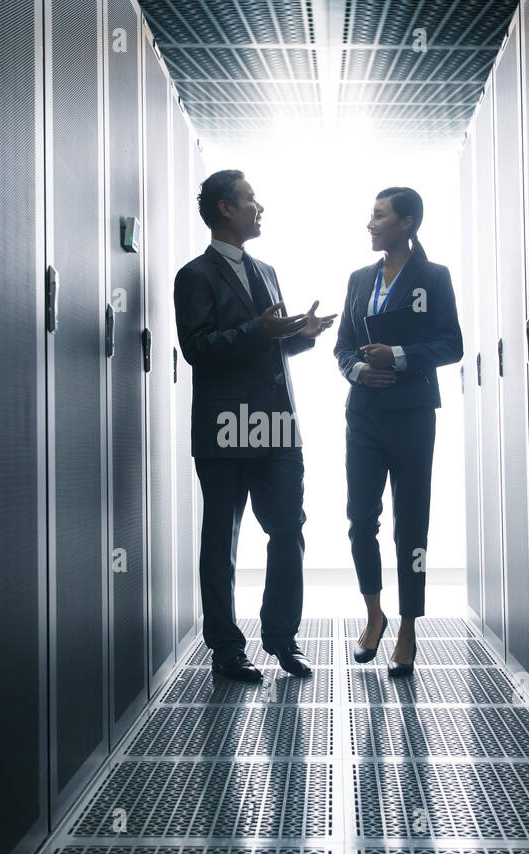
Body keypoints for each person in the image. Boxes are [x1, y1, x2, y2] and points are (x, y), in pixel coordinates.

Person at [175, 170, 335, 682]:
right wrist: (257, 329)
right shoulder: (194, 276)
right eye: (250, 199)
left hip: (276, 425)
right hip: (225, 427)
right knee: (221, 539)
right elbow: (197, 349)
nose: (259, 207)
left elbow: (269, 344)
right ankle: (226, 649)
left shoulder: (266, 270)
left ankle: (282, 639)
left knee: (288, 529)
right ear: (225, 208)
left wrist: (302, 335)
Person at [333, 186, 463, 677]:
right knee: (360, 519)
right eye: (371, 214)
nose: (370, 223)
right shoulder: (358, 279)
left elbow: (451, 344)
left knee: (412, 524)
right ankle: (374, 615)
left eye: (379, 215)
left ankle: (408, 627)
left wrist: (399, 357)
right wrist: (359, 370)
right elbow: (343, 346)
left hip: (412, 416)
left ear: (406, 223)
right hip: (364, 416)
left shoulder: (435, 276)